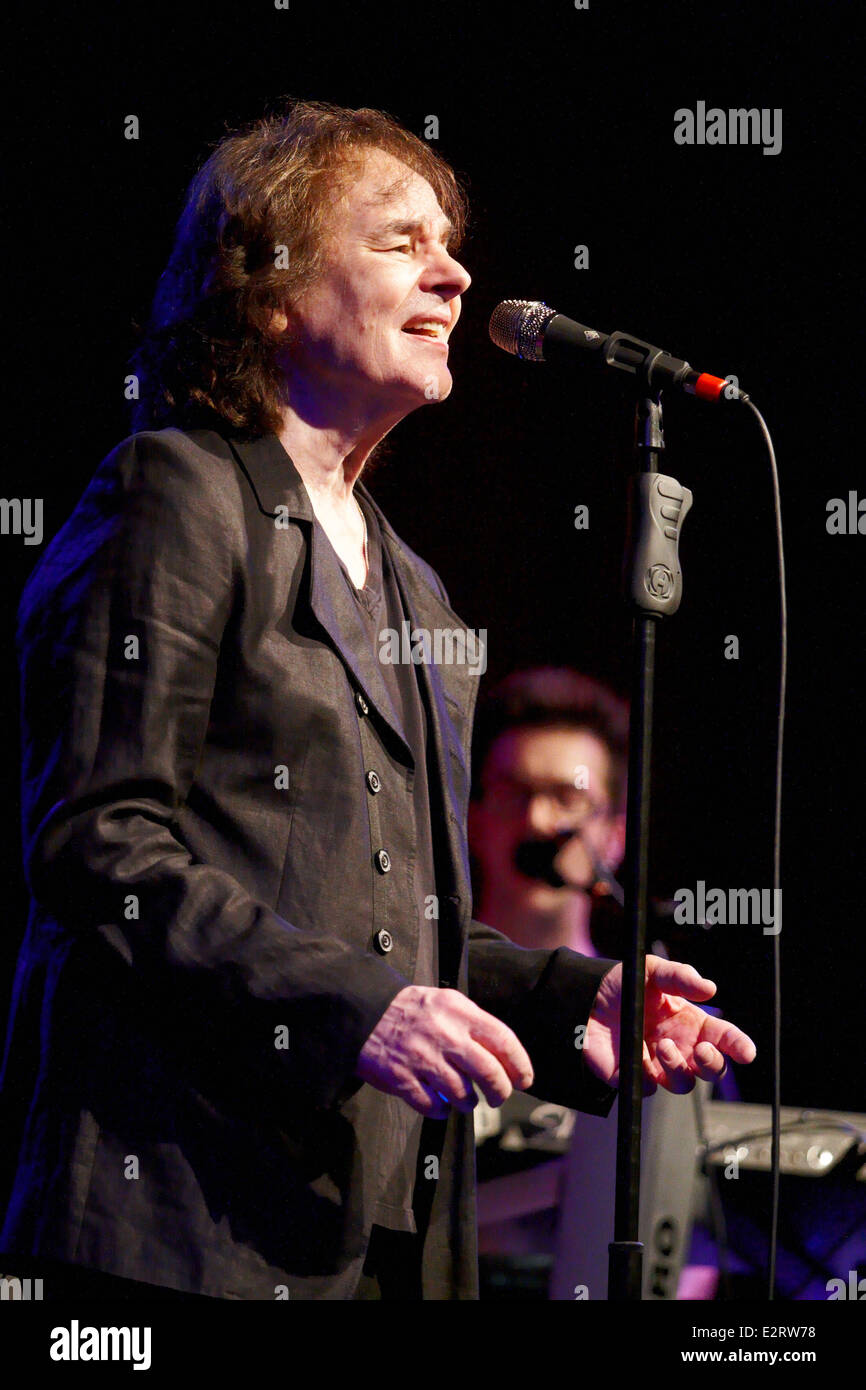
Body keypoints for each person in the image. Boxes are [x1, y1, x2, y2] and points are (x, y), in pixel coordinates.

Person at [0, 100, 755, 1302]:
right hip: (174, 1225)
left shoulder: (424, 597)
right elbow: (98, 850)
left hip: (376, 1240)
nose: (453, 274)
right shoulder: (177, 494)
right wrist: (363, 1008)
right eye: (401, 243)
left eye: (449, 244)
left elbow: (400, 928)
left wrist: (577, 997)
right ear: (271, 285)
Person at [469, 667, 728, 1299]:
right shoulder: (420, 993)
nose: (535, 819)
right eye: (511, 791)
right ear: (471, 816)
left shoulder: (658, 1020)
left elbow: (696, 1246)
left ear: (614, 832)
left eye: (566, 797)